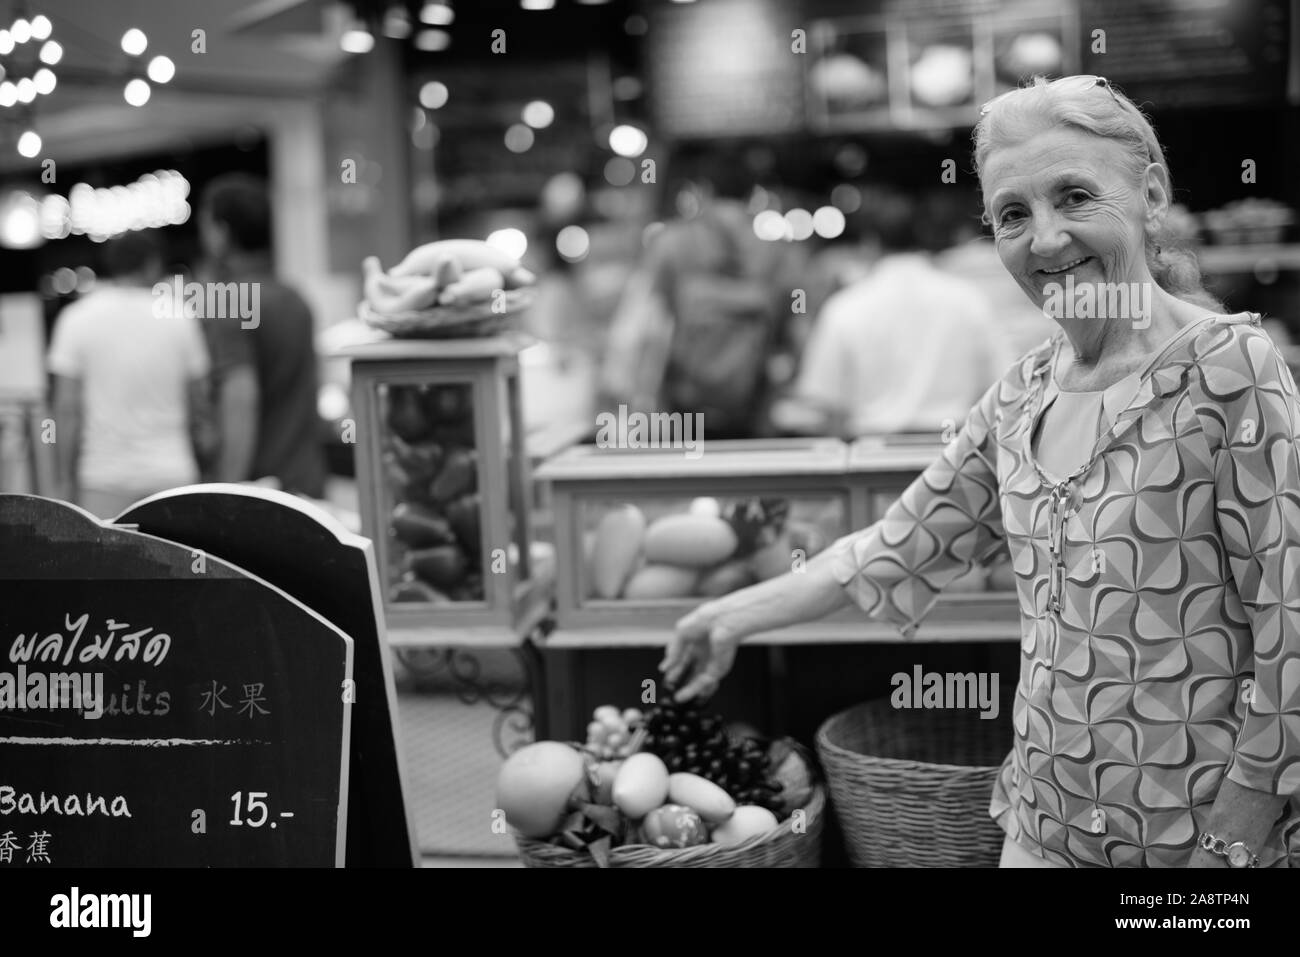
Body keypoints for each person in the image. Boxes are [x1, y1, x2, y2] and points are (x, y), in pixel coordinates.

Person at [662, 75, 1300, 869]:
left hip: (1189, 845)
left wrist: (1228, 846)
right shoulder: (1023, 393)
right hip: (1039, 828)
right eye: (1012, 214)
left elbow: (1290, 635)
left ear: (1152, 195)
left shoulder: (1231, 369)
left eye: (1075, 197)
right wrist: (730, 615)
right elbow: (894, 546)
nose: (1045, 240)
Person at [774, 191, 1009, 438]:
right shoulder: (968, 299)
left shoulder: (846, 307)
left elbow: (823, 401)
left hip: (872, 459)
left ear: (869, 242)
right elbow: (1001, 384)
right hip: (956, 451)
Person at [47, 230, 211, 518]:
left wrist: (63, 481)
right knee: (176, 561)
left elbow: (66, 408)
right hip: (171, 474)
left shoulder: (76, 318)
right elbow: (200, 398)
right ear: (152, 263)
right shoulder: (179, 316)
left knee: (108, 562)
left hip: (102, 476)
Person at [198, 173, 325, 498]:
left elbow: (239, 399)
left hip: (262, 497)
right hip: (307, 484)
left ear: (221, 233)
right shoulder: (296, 298)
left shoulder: (227, 300)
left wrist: (225, 494)